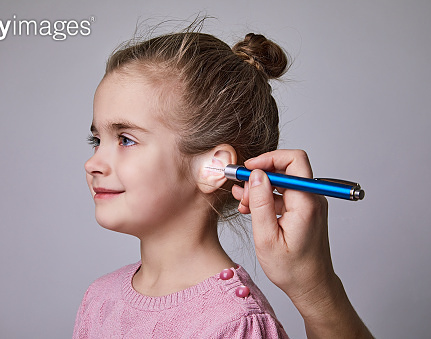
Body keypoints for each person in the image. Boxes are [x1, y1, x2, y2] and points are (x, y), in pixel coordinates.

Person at [73, 28, 372, 338]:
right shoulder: (99, 299)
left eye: (126, 139)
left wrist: (317, 288)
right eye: (96, 139)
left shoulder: (236, 323)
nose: (92, 163)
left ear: (213, 167)